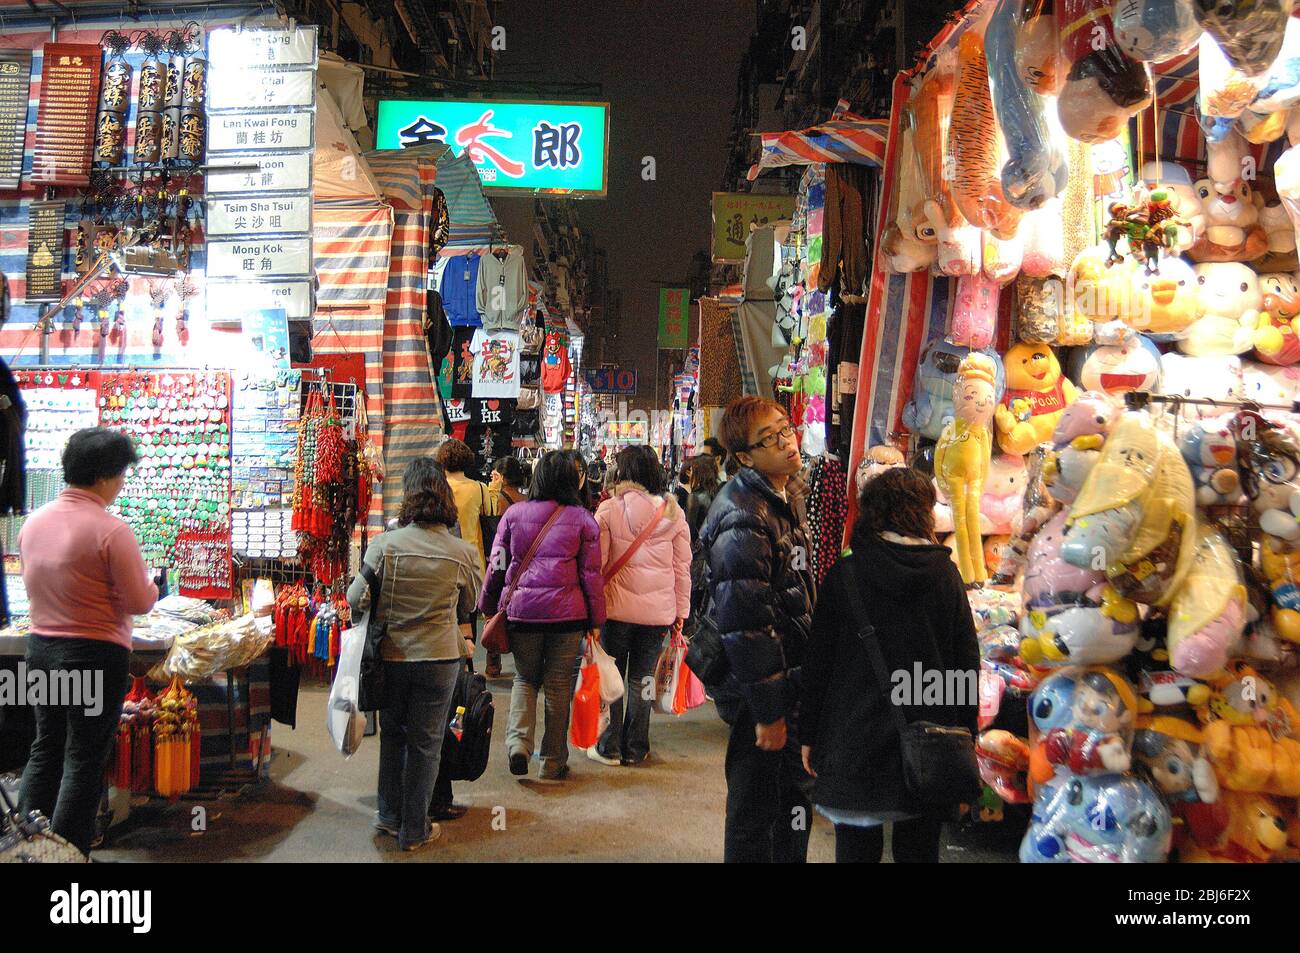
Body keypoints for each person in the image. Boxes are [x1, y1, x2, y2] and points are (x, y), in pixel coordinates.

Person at [799, 467, 978, 863]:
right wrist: (968, 734)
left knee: (856, 849)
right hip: (931, 737)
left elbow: (819, 661)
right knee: (919, 849)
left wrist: (808, 730)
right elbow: (966, 664)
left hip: (854, 735)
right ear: (924, 513)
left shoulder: (846, 574)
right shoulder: (946, 575)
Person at [18, 428, 158, 856]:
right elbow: (139, 600)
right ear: (105, 476)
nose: (120, 484)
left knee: (45, 748)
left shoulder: (33, 523)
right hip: (94, 656)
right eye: (120, 475)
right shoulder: (111, 530)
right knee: (83, 759)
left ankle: (25, 846)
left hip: (41, 651)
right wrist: (151, 585)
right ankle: (66, 853)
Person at [700, 397, 815, 863]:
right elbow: (745, 622)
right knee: (755, 809)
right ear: (744, 456)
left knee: (792, 800)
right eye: (771, 438)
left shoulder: (783, 497)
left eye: (786, 429)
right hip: (758, 687)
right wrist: (768, 712)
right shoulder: (744, 513)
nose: (787, 442)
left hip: (786, 678)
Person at [347, 458, 482, 851]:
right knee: (426, 743)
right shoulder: (461, 552)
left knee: (393, 736)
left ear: (407, 496)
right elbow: (469, 603)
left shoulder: (385, 545)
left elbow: (356, 597)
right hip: (440, 659)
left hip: (390, 656)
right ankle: (415, 829)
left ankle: (389, 816)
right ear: (445, 498)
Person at [480, 450, 606, 783]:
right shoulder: (583, 520)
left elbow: (497, 565)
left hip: (523, 614)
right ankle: (551, 761)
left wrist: (488, 603)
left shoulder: (514, 514)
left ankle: (519, 745)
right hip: (567, 618)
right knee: (558, 684)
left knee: (524, 678)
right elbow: (591, 575)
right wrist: (596, 620)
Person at [589, 445, 691, 767]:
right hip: (657, 614)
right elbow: (681, 569)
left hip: (615, 612)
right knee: (643, 679)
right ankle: (637, 747)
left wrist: (591, 611)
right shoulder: (673, 513)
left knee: (613, 675)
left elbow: (597, 565)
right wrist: (681, 613)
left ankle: (611, 746)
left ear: (623, 473)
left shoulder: (607, 510)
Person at [483, 455, 530, 679]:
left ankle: (493, 660)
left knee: (493, 607)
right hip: (519, 561)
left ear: (501, 477)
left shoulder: (496, 499)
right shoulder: (527, 501)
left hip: (497, 556)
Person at [683, 454, 721, 544]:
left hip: (699, 551)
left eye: (692, 470)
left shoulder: (694, 497)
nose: (690, 474)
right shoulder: (719, 493)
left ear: (699, 472)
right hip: (715, 548)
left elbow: (689, 532)